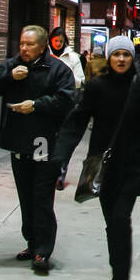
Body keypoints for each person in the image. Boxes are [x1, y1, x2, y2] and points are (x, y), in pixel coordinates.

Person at [54, 36, 140, 280]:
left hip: (134, 164)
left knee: (121, 219)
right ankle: (117, 273)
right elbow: (76, 122)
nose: (121, 59)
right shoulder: (96, 87)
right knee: (113, 225)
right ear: (109, 57)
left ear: (132, 58)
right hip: (104, 167)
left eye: (126, 55)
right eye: (116, 54)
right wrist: (60, 158)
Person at [0, 25, 76, 274]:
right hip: (19, 141)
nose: (23, 48)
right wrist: (10, 77)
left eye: (29, 44)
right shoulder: (13, 66)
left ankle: (42, 251)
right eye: (22, 43)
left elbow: (66, 101)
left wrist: (35, 105)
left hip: (44, 142)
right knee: (25, 196)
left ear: (43, 46)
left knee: (41, 196)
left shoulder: (58, 70)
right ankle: (32, 243)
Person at [49, 27, 86, 192]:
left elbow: (80, 80)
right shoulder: (44, 55)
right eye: (55, 41)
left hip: (66, 105)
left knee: (63, 141)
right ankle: (43, 173)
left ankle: (59, 175)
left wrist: (65, 75)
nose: (57, 44)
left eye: (60, 41)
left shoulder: (73, 57)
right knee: (43, 140)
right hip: (46, 104)